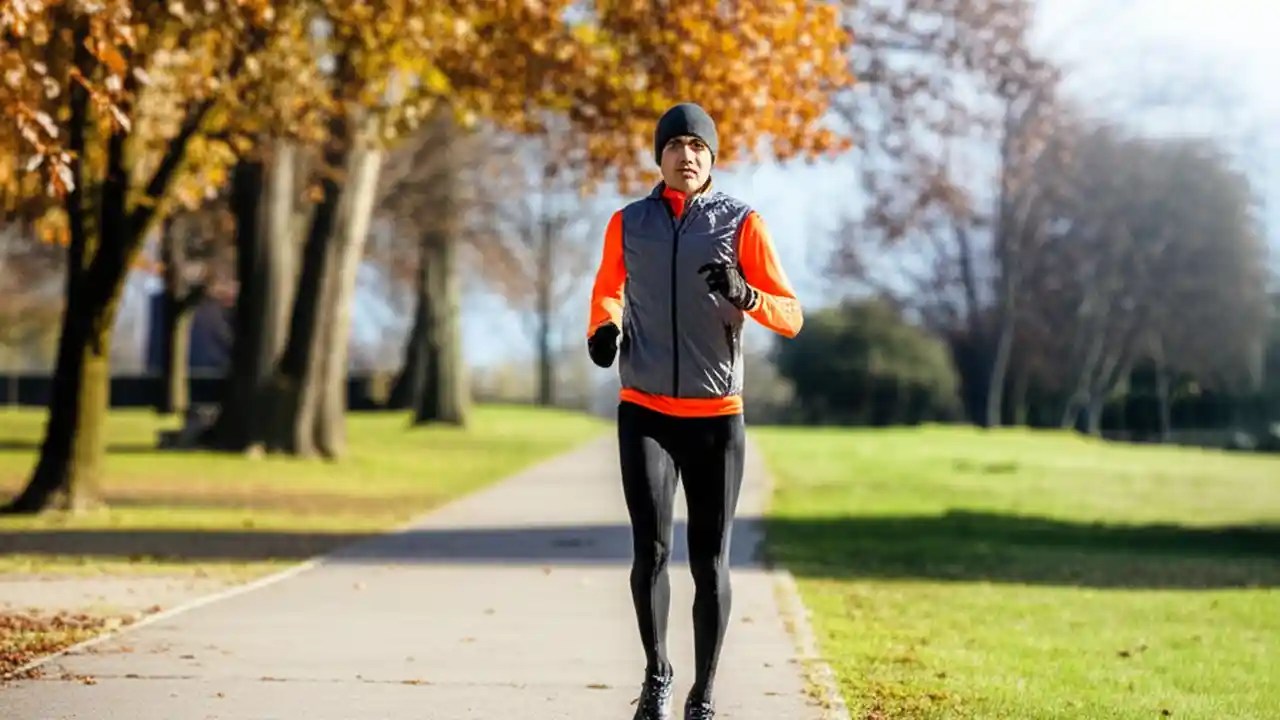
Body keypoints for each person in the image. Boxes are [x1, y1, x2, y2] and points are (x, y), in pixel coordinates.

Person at [585, 102, 804, 720]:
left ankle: (702, 696)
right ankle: (658, 674)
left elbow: (790, 314)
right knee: (650, 551)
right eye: (676, 145)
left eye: (700, 147)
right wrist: (602, 330)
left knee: (710, 563)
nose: (688, 155)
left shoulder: (742, 224)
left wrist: (746, 293)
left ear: (713, 158)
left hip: (715, 418)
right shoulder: (629, 223)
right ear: (660, 156)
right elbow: (607, 288)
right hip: (646, 411)